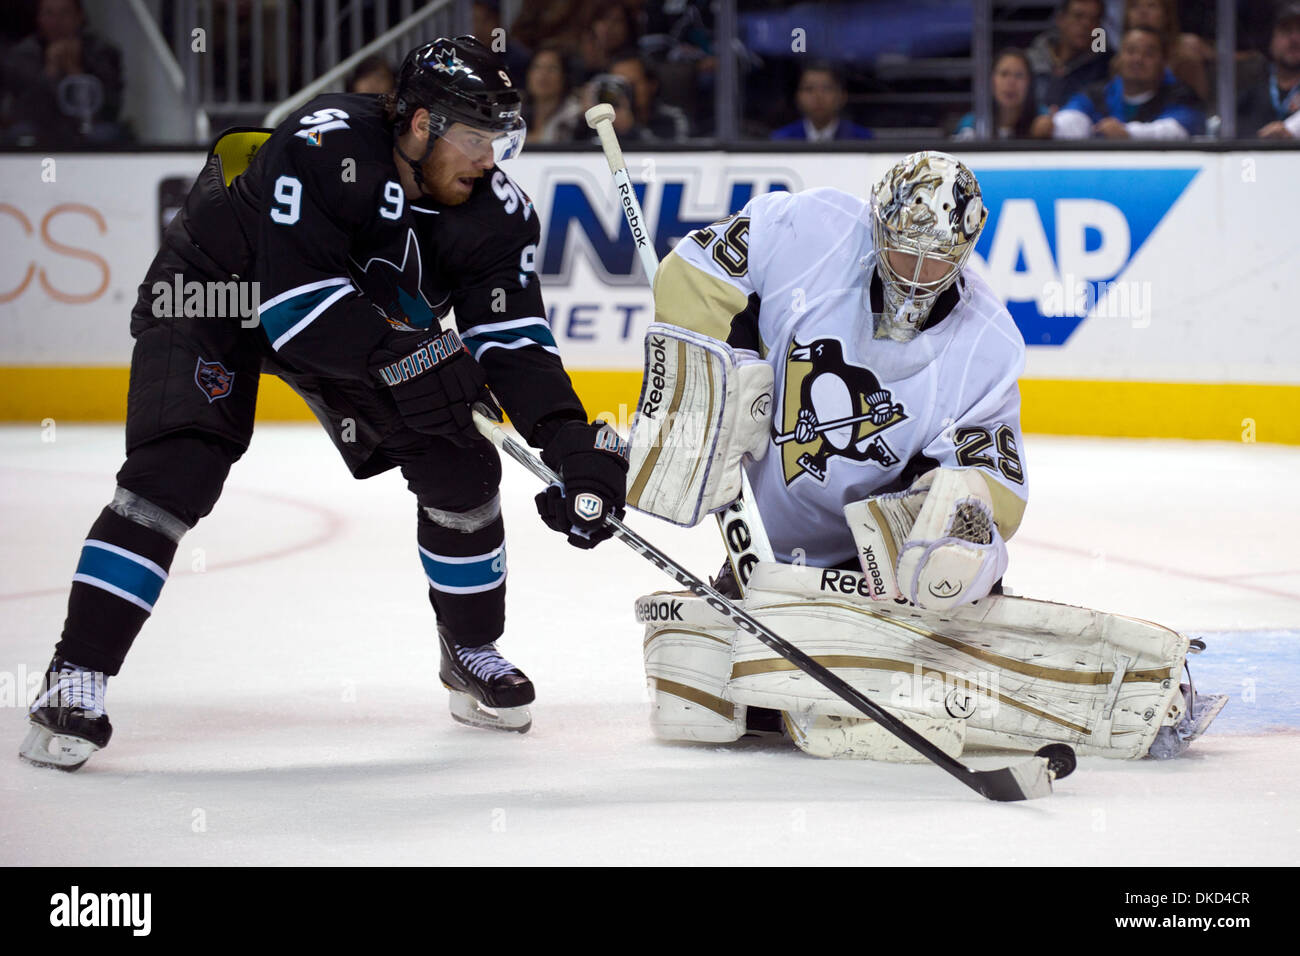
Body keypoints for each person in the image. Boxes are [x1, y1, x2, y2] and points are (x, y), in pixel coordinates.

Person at [19, 36, 629, 772]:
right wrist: (414, 360)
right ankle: (75, 674)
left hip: (356, 318)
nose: (488, 159)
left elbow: (514, 339)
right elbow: (296, 308)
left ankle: (470, 649)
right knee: (174, 472)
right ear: (418, 124)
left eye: (499, 139)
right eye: (474, 137)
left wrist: (566, 440)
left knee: (461, 464)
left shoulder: (496, 210)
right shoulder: (328, 144)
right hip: (219, 296)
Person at [628, 151, 1224, 762]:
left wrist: (950, 520)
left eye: (940, 255)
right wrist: (711, 386)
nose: (918, 273)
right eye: (905, 249)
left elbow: (1000, 491)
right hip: (769, 552)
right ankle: (827, 676)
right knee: (697, 699)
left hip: (879, 570)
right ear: (876, 223)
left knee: (950, 562)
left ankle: (898, 658)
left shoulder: (986, 342)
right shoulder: (805, 228)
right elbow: (688, 278)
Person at [1, 0, 125, 146]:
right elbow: (23, 110)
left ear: (79, 17)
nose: (56, 21)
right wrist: (50, 71)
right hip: (39, 127)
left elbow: (108, 108)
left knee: (107, 134)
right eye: (49, 13)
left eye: (64, 13)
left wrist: (75, 71)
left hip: (87, 128)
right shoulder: (22, 55)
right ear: (39, 18)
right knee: (20, 133)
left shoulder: (102, 53)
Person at [1051, 24, 1205, 139]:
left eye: (1148, 54)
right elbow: (1073, 117)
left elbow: (1176, 130)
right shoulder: (1096, 94)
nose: (1138, 59)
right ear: (1118, 58)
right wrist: (1052, 126)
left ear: (1163, 62)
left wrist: (1127, 133)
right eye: (1131, 51)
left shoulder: (1181, 96)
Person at [1025, 0, 1112, 109]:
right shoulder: (1029, 60)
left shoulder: (1107, 67)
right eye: (1078, 16)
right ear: (1060, 19)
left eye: (1094, 19)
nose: (1086, 24)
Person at [1122, 0, 1211, 103]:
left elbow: (1195, 106)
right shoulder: (1118, 61)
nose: (1142, 12)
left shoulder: (1186, 58)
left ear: (1166, 14)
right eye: (1135, 6)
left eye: (1151, 6)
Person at [953, 48, 1052, 139]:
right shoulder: (971, 123)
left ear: (1030, 83)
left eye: (1019, 75)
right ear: (991, 80)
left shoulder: (1043, 117)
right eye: (1004, 74)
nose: (1011, 82)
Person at [1237, 2, 1300, 139]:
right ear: (1270, 39)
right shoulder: (1250, 91)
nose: (1295, 38)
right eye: (1286, 30)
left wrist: (1291, 130)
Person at [770, 64, 872, 141]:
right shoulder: (782, 138)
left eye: (827, 88)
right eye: (809, 89)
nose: (818, 96)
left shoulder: (861, 139)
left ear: (842, 96)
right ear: (798, 97)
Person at [608, 51, 690, 141]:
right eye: (618, 86)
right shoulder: (606, 118)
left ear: (652, 85)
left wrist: (631, 129)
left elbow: (667, 151)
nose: (625, 92)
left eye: (632, 84)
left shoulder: (672, 119)